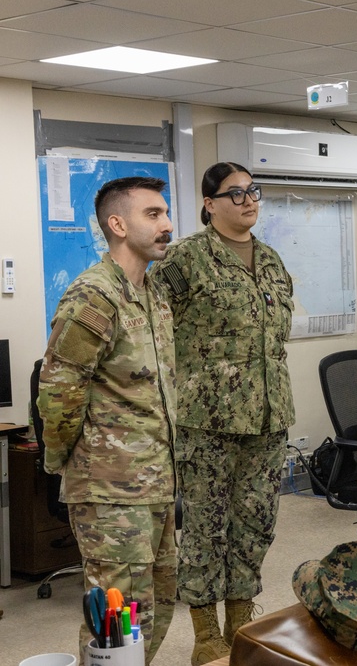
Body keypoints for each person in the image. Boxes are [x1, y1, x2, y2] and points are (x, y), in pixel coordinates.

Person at [150, 162, 295, 664]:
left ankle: (241, 616)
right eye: (234, 194)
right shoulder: (183, 261)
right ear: (210, 204)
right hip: (206, 420)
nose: (248, 200)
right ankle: (205, 630)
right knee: (207, 527)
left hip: (269, 416)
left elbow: (275, 339)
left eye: (252, 191)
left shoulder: (273, 261)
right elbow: (154, 337)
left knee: (255, 521)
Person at [37, 176, 176, 664]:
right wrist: (67, 463)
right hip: (110, 489)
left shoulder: (152, 291)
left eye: (165, 213)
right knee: (118, 620)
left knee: (155, 606)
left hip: (155, 481)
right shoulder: (93, 297)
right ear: (117, 224)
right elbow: (58, 392)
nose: (167, 225)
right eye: (154, 215)